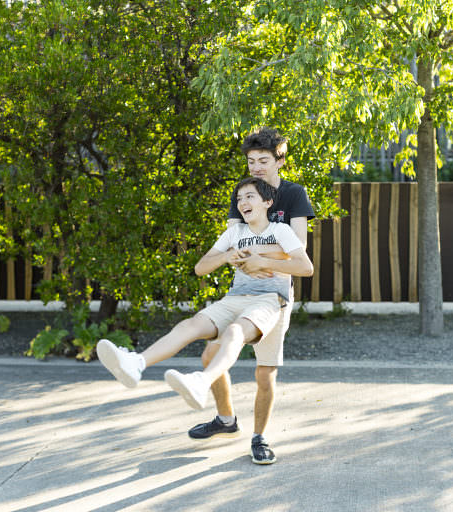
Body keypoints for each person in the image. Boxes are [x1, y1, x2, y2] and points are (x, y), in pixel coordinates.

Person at [96, 177, 314, 452]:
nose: (242, 202)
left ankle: (258, 436)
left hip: (270, 300)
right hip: (235, 298)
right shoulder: (234, 234)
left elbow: (306, 267)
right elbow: (201, 268)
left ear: (268, 203)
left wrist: (262, 260)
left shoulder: (281, 230)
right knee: (194, 324)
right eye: (239, 199)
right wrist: (226, 256)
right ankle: (135, 363)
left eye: (249, 197)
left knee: (259, 366)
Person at [188, 127, 315, 465]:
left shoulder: (294, 194)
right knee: (209, 356)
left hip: (276, 292)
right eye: (251, 161)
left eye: (263, 160)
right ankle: (226, 420)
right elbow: (233, 240)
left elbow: (298, 249)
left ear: (279, 160)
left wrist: (261, 256)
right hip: (241, 288)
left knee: (264, 372)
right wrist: (254, 256)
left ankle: (260, 438)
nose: (256, 167)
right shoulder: (244, 193)